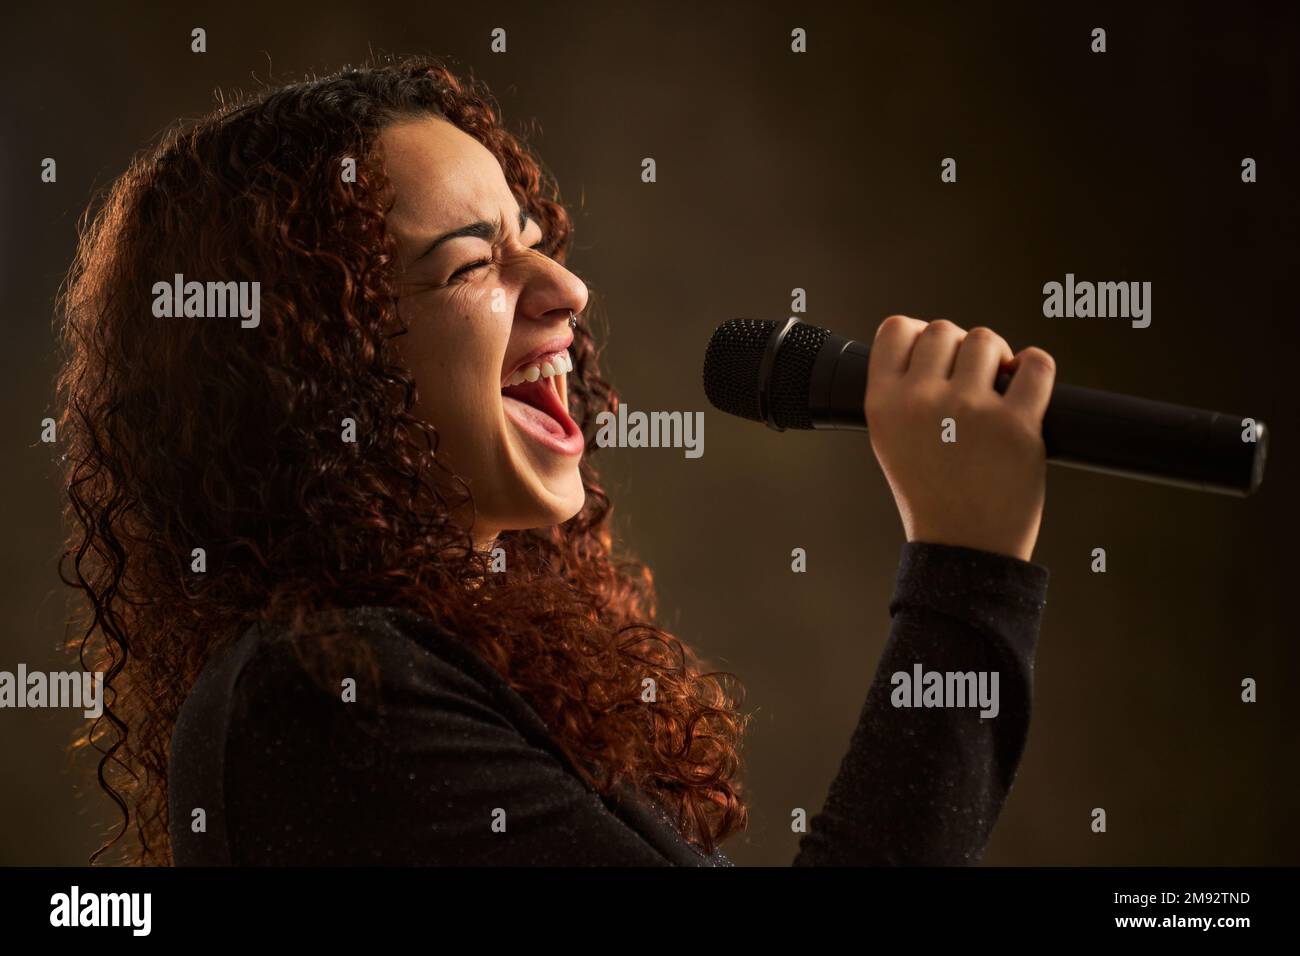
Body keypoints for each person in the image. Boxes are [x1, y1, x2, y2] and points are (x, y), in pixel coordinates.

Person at [55, 55, 1055, 866]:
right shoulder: (311, 700)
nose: (565, 287)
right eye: (469, 263)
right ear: (306, 366)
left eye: (533, 240)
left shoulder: (445, 676)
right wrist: (965, 575)